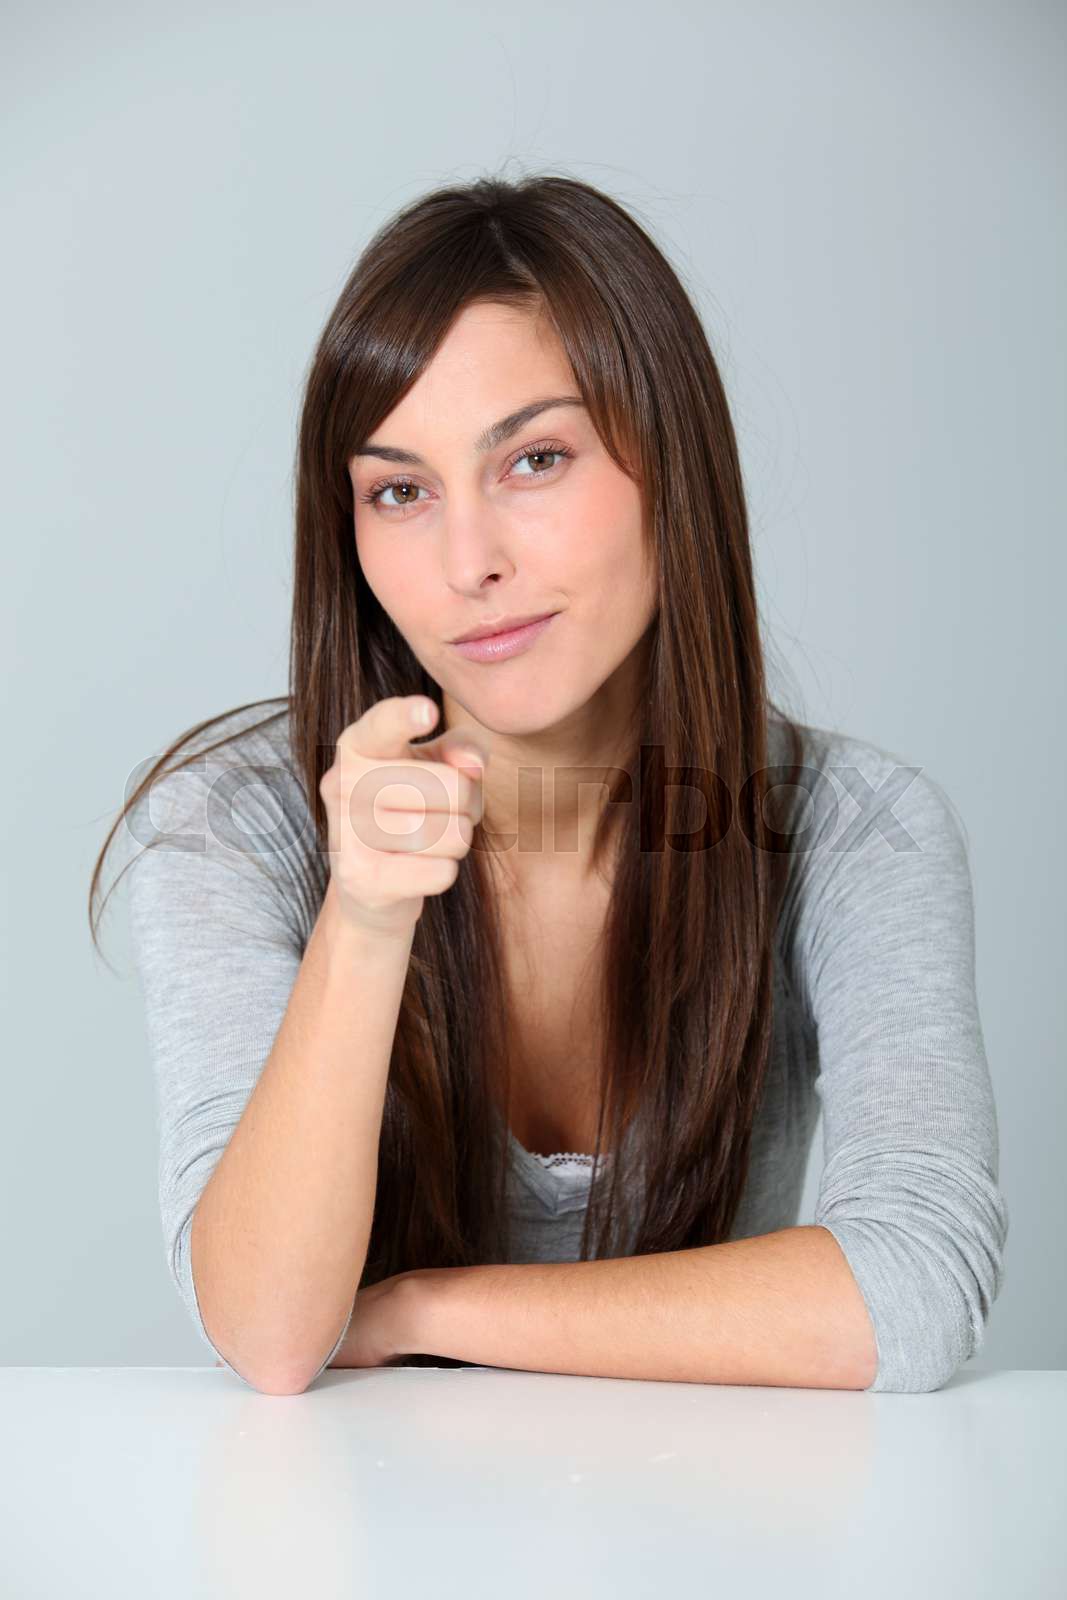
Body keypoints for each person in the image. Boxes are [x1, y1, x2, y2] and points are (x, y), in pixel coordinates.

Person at [89, 172, 1008, 1397]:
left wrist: (418, 1306)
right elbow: (267, 1329)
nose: (470, 561)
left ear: (667, 465)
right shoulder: (226, 825)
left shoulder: (848, 828)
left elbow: (913, 1289)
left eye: (532, 459)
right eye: (399, 491)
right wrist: (364, 915)